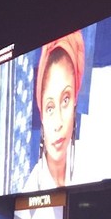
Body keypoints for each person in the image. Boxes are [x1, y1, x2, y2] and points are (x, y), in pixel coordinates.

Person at [24, 31, 85, 192]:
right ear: (42, 114)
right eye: (50, 108)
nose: (58, 123)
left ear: (75, 102)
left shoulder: (93, 162)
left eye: (65, 100)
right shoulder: (29, 192)